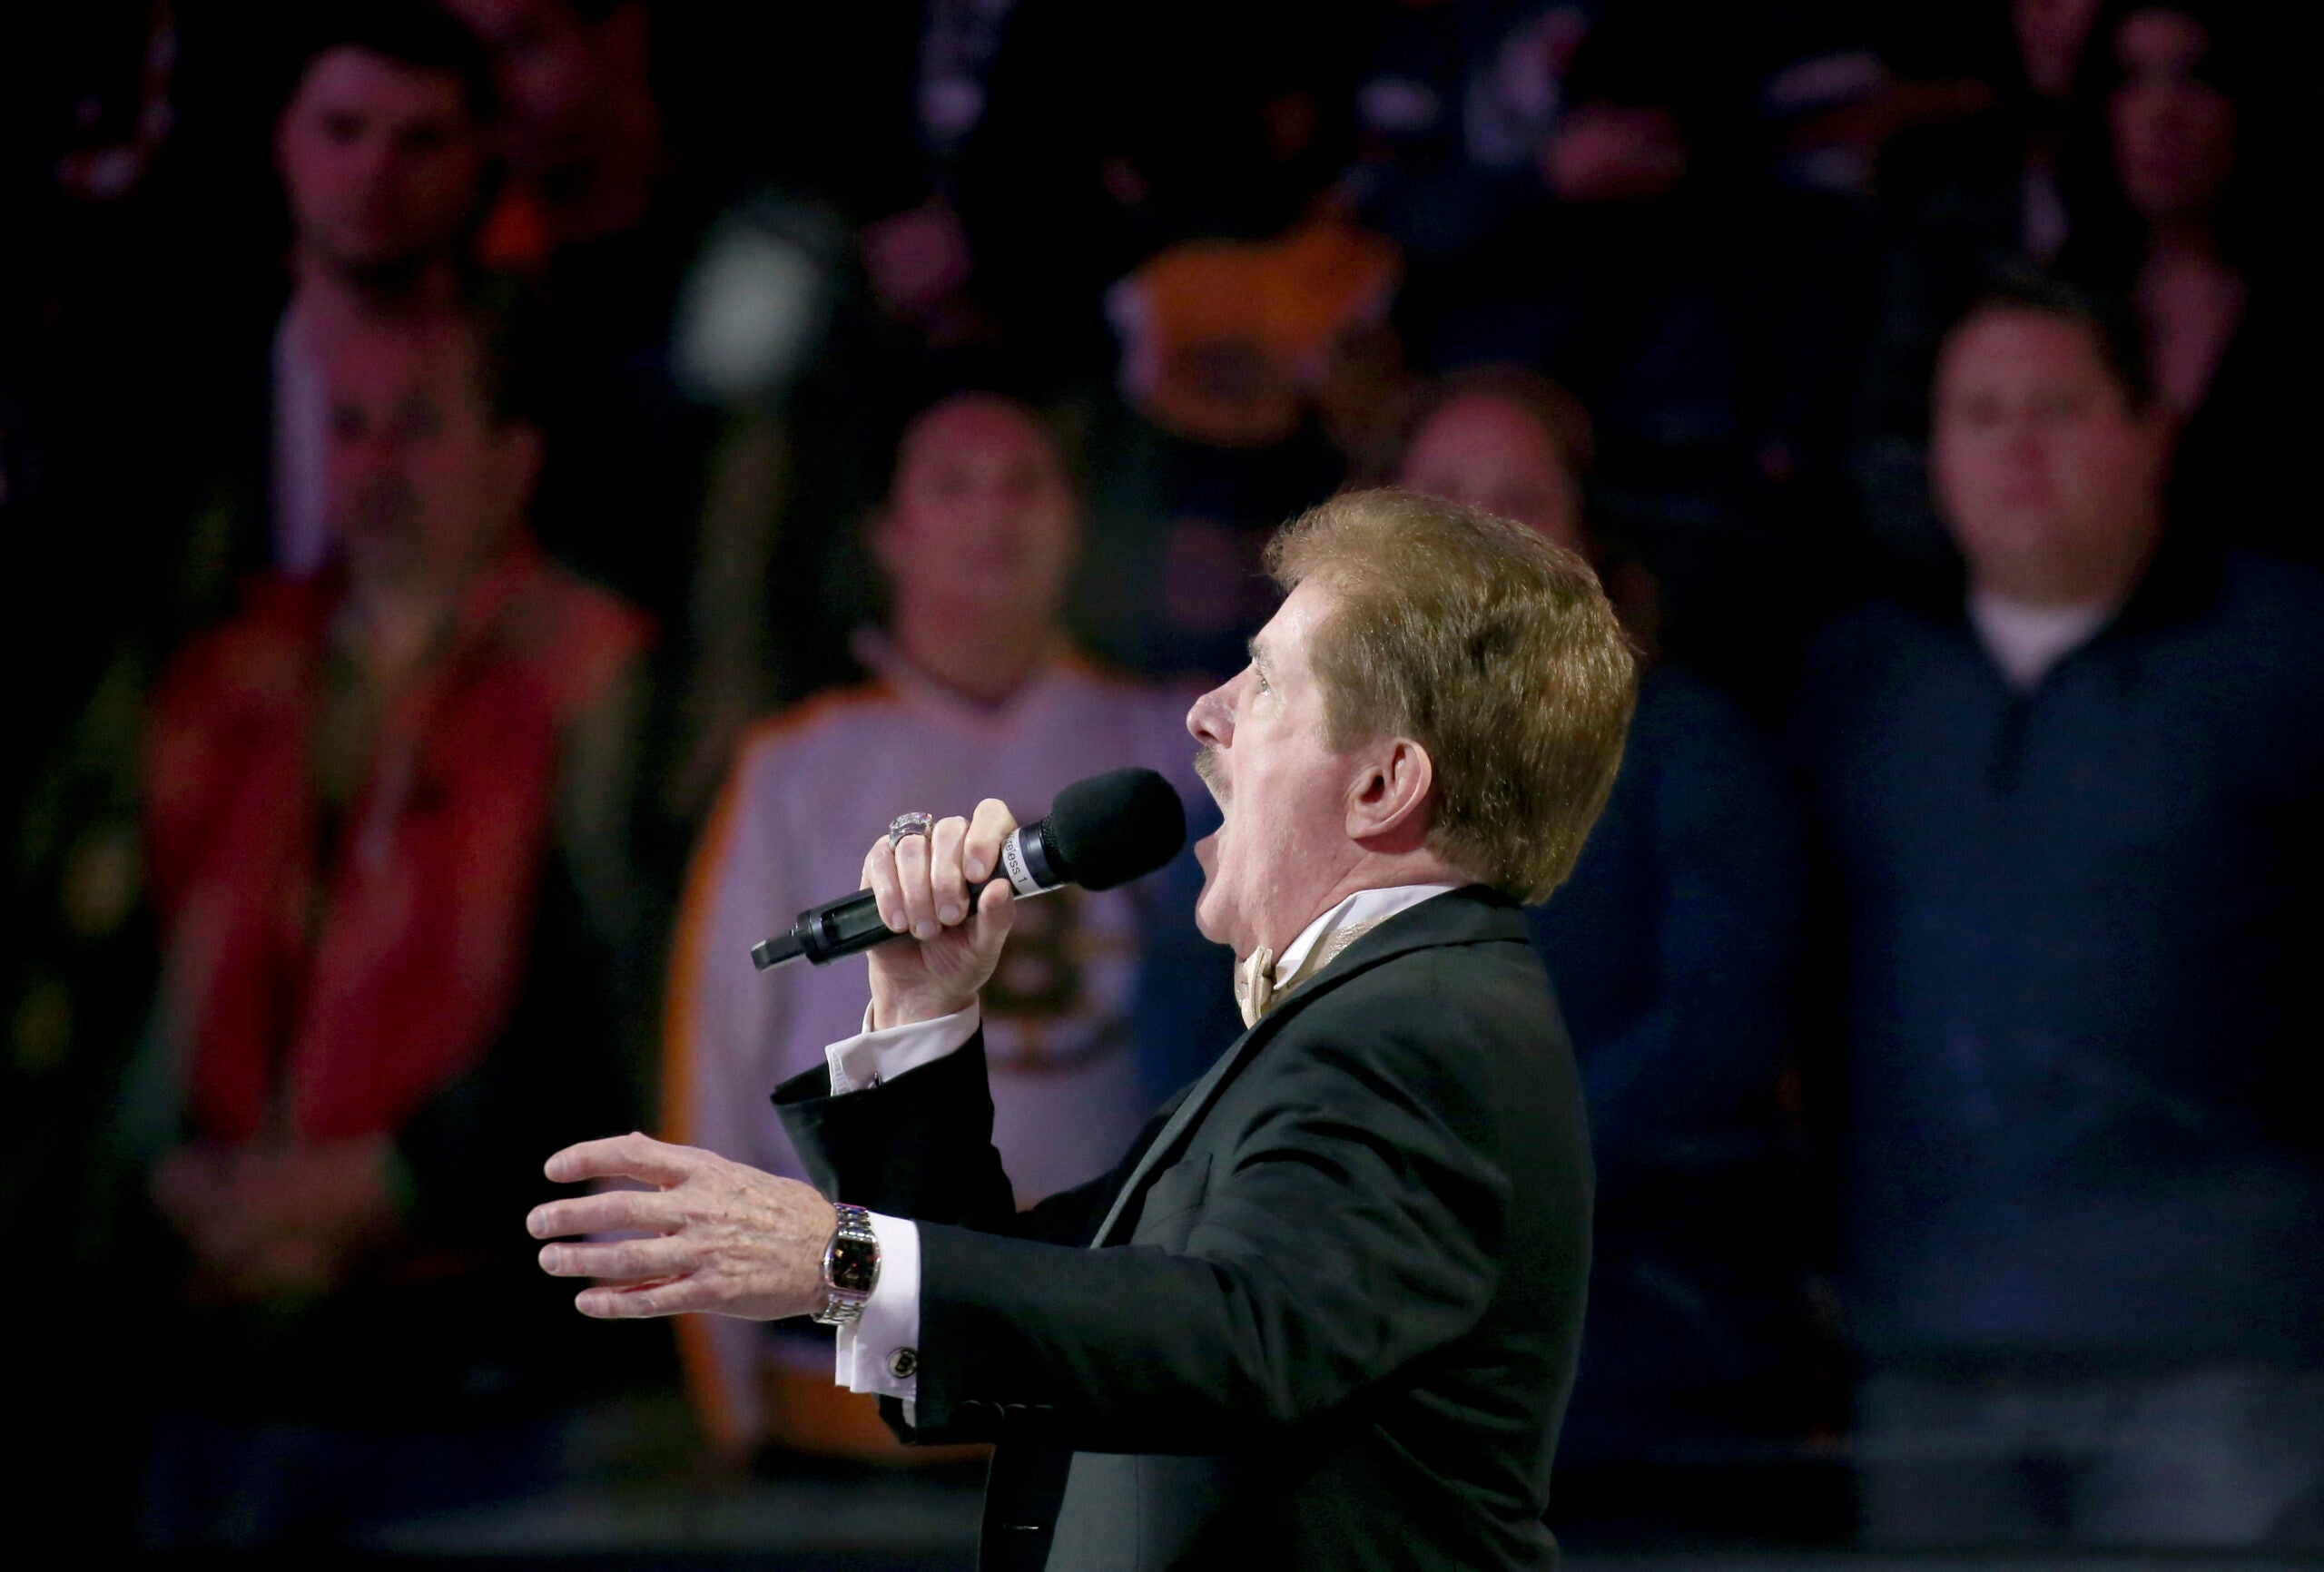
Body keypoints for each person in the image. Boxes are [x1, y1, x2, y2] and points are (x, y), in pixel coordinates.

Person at [530, 488, 1637, 1568]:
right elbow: (1031, 1305)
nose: (1205, 711)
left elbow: (1238, 1336)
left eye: (1263, 683)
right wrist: (923, 1012)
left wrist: (839, 1254)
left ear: (1385, 784)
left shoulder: (1419, 1028)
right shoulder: (1363, 1020)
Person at [1792, 276, 2324, 1545]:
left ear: (2151, 429)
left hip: (2227, 1344)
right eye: (1978, 414)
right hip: (1923, 1336)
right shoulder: (1856, 684)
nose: (2017, 445)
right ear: (1933, 454)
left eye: (2058, 407)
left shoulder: (2291, 653)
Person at [127, 311, 656, 1547]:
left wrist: (404, 1178)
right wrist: (168, 1174)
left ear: (511, 457)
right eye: (349, 429)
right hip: (218, 1327)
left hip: (472, 1352)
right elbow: (143, 959)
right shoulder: (236, 673)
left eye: (418, 428)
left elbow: (610, 993)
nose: (376, 467)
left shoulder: (591, 671)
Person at [662, 391, 1226, 1459]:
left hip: (1111, 1373)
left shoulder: (1175, 739)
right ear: (888, 533)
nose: (993, 517)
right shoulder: (793, 768)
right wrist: (725, 1408)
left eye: (1026, 483)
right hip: (834, 1406)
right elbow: (714, 1075)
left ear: (1077, 519)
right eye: (953, 485)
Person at [1394, 371, 1817, 1481]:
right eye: (1442, 492)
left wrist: (1482, 1161)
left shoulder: (1685, 745)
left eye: (1521, 496)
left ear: (1585, 536)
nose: (1479, 529)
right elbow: (1196, 1018)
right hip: (1366, 1337)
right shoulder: (1278, 751)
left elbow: (1718, 1022)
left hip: (1637, 1342)